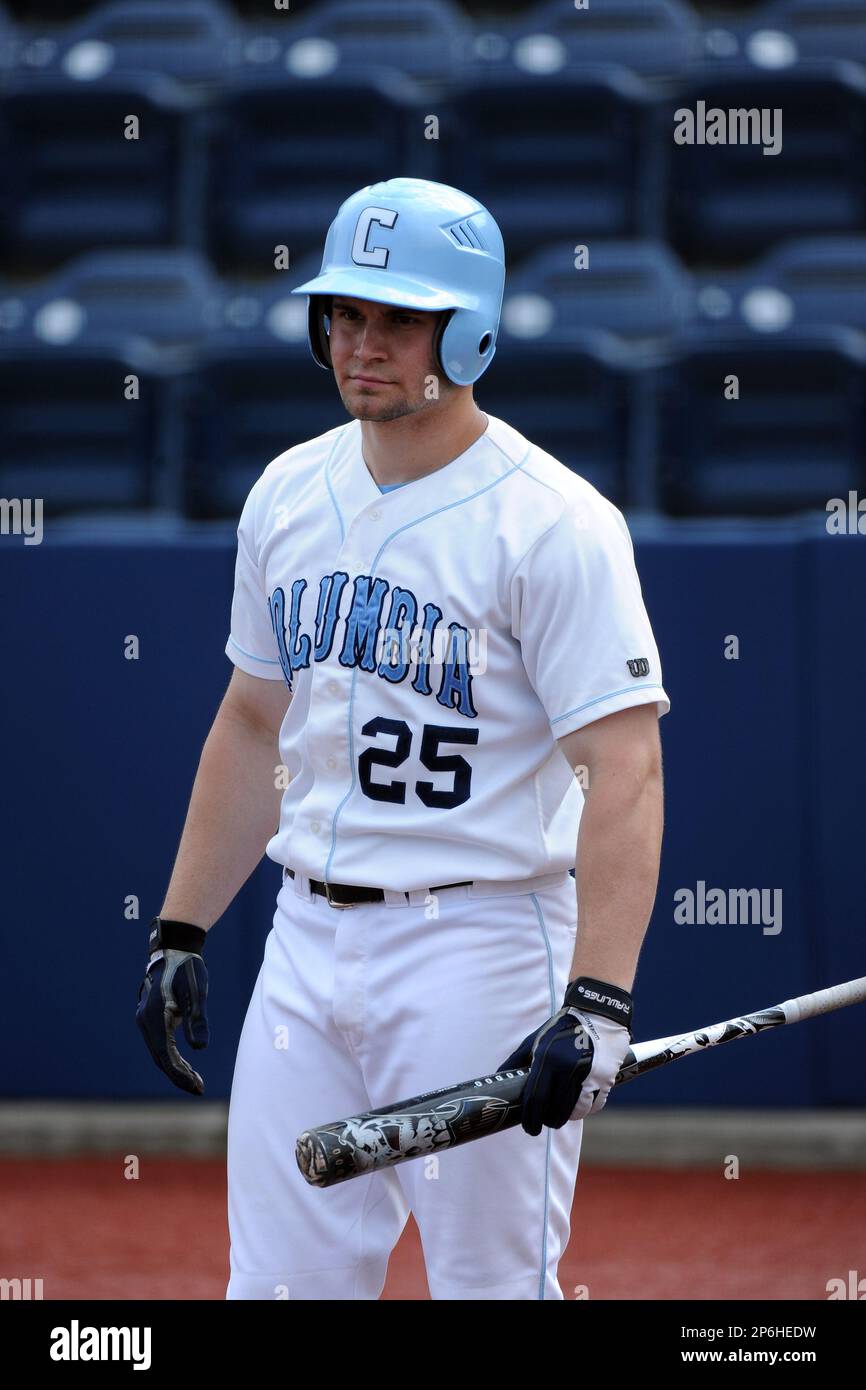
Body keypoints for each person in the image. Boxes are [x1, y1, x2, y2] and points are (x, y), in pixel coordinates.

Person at [136, 177, 670, 1301]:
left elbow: (621, 767)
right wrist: (181, 924)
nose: (359, 342)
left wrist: (596, 1002)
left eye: (396, 319)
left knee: (488, 1287)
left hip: (479, 945)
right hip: (303, 941)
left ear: (466, 332)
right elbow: (250, 721)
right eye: (343, 312)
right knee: (278, 1288)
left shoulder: (553, 520)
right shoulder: (286, 492)